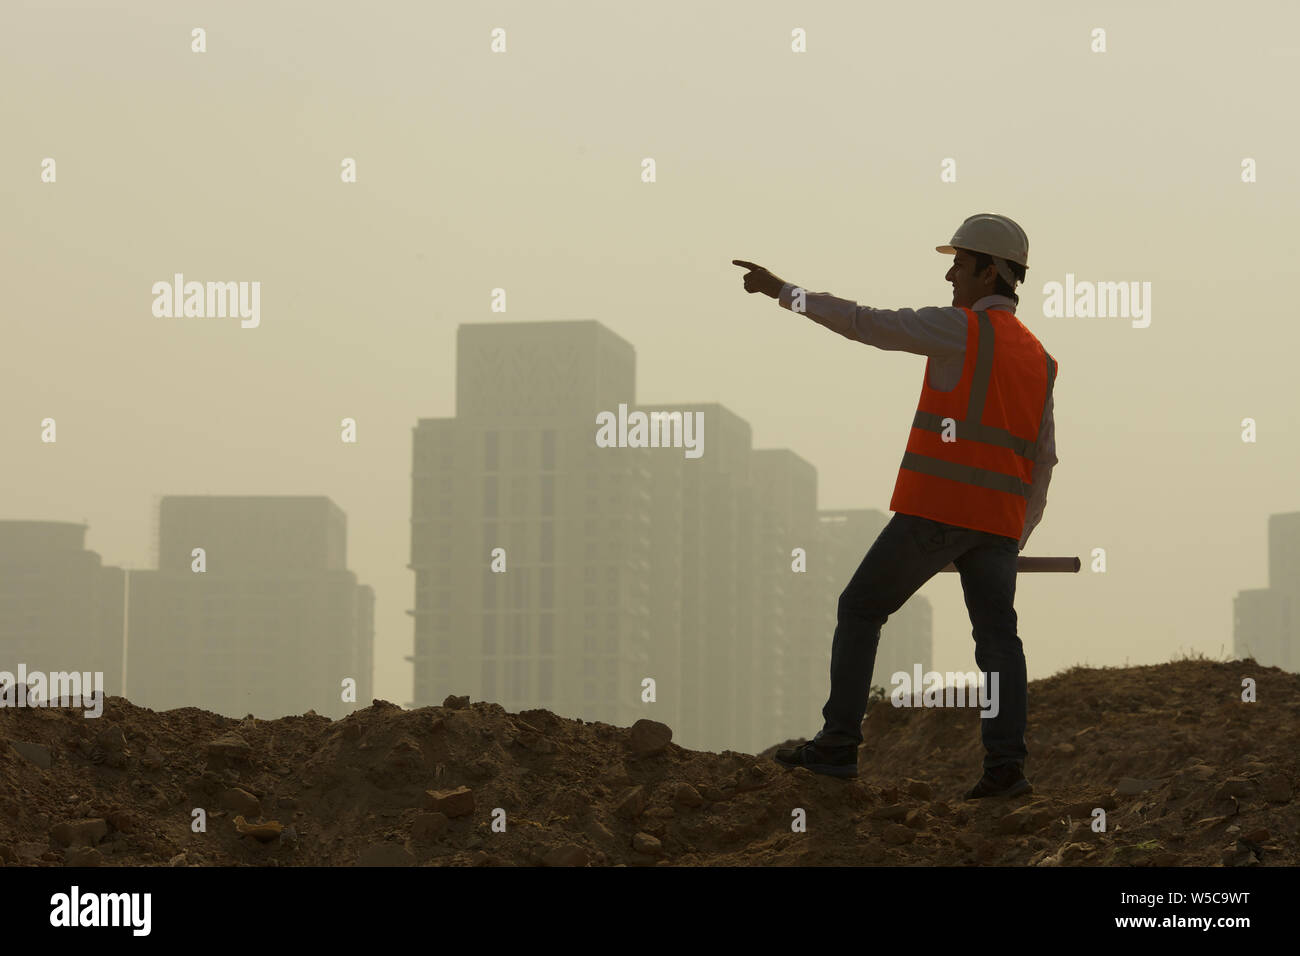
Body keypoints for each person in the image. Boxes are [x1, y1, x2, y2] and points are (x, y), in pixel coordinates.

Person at [733, 213, 1057, 799]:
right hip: (997, 526)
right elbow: (1044, 460)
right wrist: (1014, 535)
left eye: (960, 263)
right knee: (998, 642)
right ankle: (1006, 770)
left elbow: (865, 323)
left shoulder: (961, 330)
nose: (950, 274)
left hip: (938, 509)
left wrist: (783, 291)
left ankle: (836, 747)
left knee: (860, 608)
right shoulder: (1038, 357)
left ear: (991, 271)